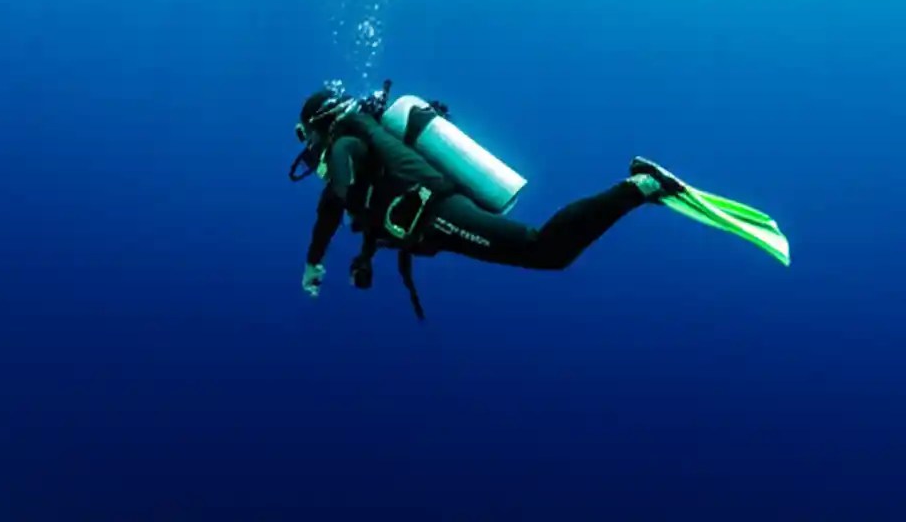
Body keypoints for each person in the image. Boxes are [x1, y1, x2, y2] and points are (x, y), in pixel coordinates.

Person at [289, 83, 789, 318]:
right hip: (433, 220)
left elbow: (336, 197)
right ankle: (638, 190)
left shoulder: (346, 138)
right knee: (542, 252)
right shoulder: (357, 135)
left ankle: (640, 187)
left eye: (307, 137)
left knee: (544, 249)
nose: (310, 151)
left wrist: (314, 261)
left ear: (320, 124)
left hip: (438, 212)